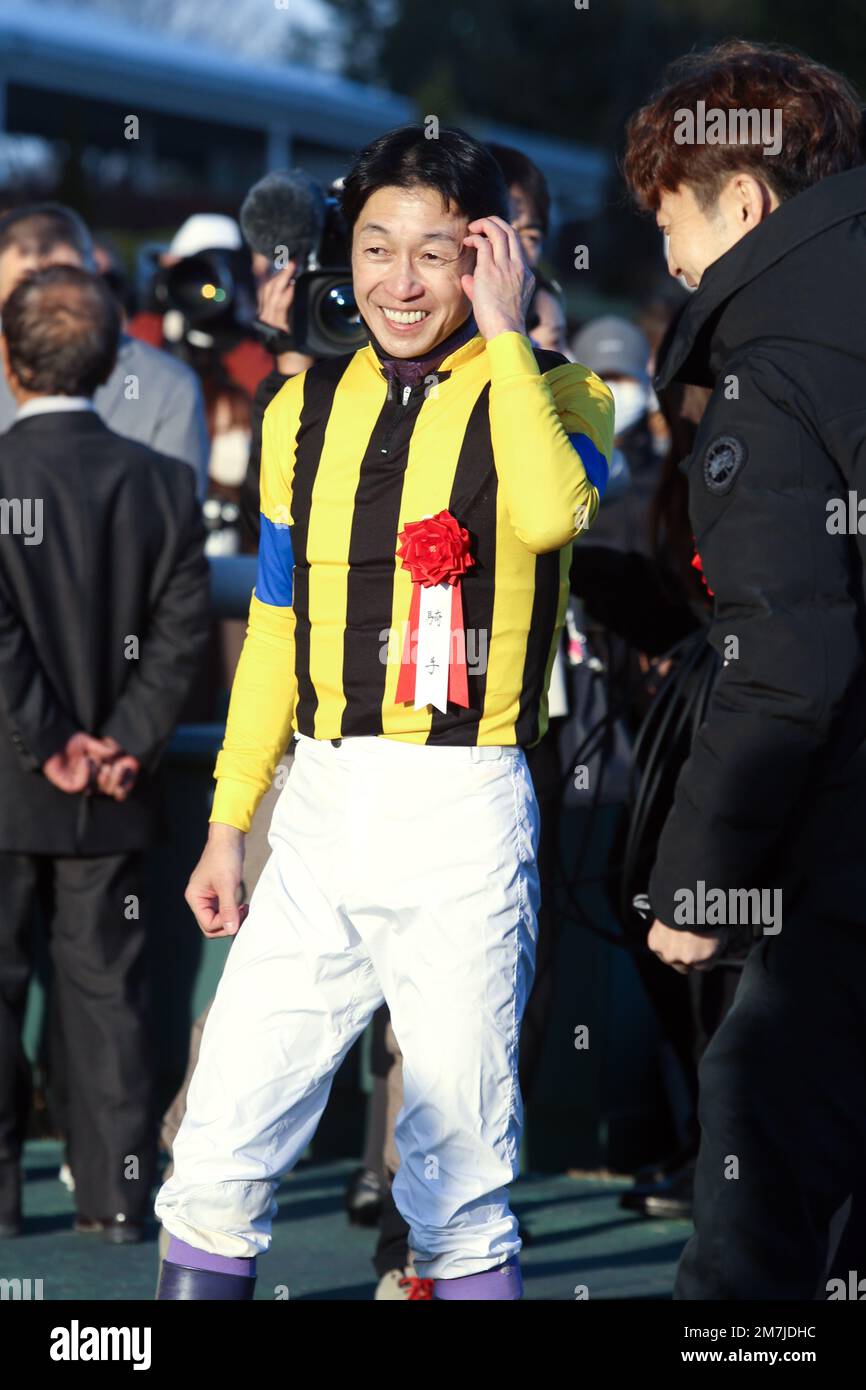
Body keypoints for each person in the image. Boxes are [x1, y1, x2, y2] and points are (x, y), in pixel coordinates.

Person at [154, 122, 613, 1301]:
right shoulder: (298, 411)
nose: (398, 283)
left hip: (463, 808)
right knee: (214, 1147)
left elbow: (556, 513)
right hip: (315, 803)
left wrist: (507, 333)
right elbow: (270, 628)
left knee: (456, 1184)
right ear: (341, 254)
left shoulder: (565, 394)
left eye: (436, 253)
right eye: (374, 248)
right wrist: (225, 818)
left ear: (489, 256)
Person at [624, 39, 866, 1298]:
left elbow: (782, 664)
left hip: (834, 869)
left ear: (743, 202)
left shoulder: (770, 383)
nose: (667, 256)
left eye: (672, 215)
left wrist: (696, 886)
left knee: (756, 1219)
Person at [0, 265, 210, 1241]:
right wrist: (123, 738)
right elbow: (182, 634)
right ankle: (119, 1199)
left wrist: (49, 743)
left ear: (8, 360)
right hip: (118, 784)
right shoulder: (165, 484)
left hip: (13, 777)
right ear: (114, 358)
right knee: (109, 991)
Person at [0, 204, 209, 497]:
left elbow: (177, 519)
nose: (48, 299)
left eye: (64, 278)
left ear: (95, 275)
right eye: (27, 284)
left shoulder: (166, 386)